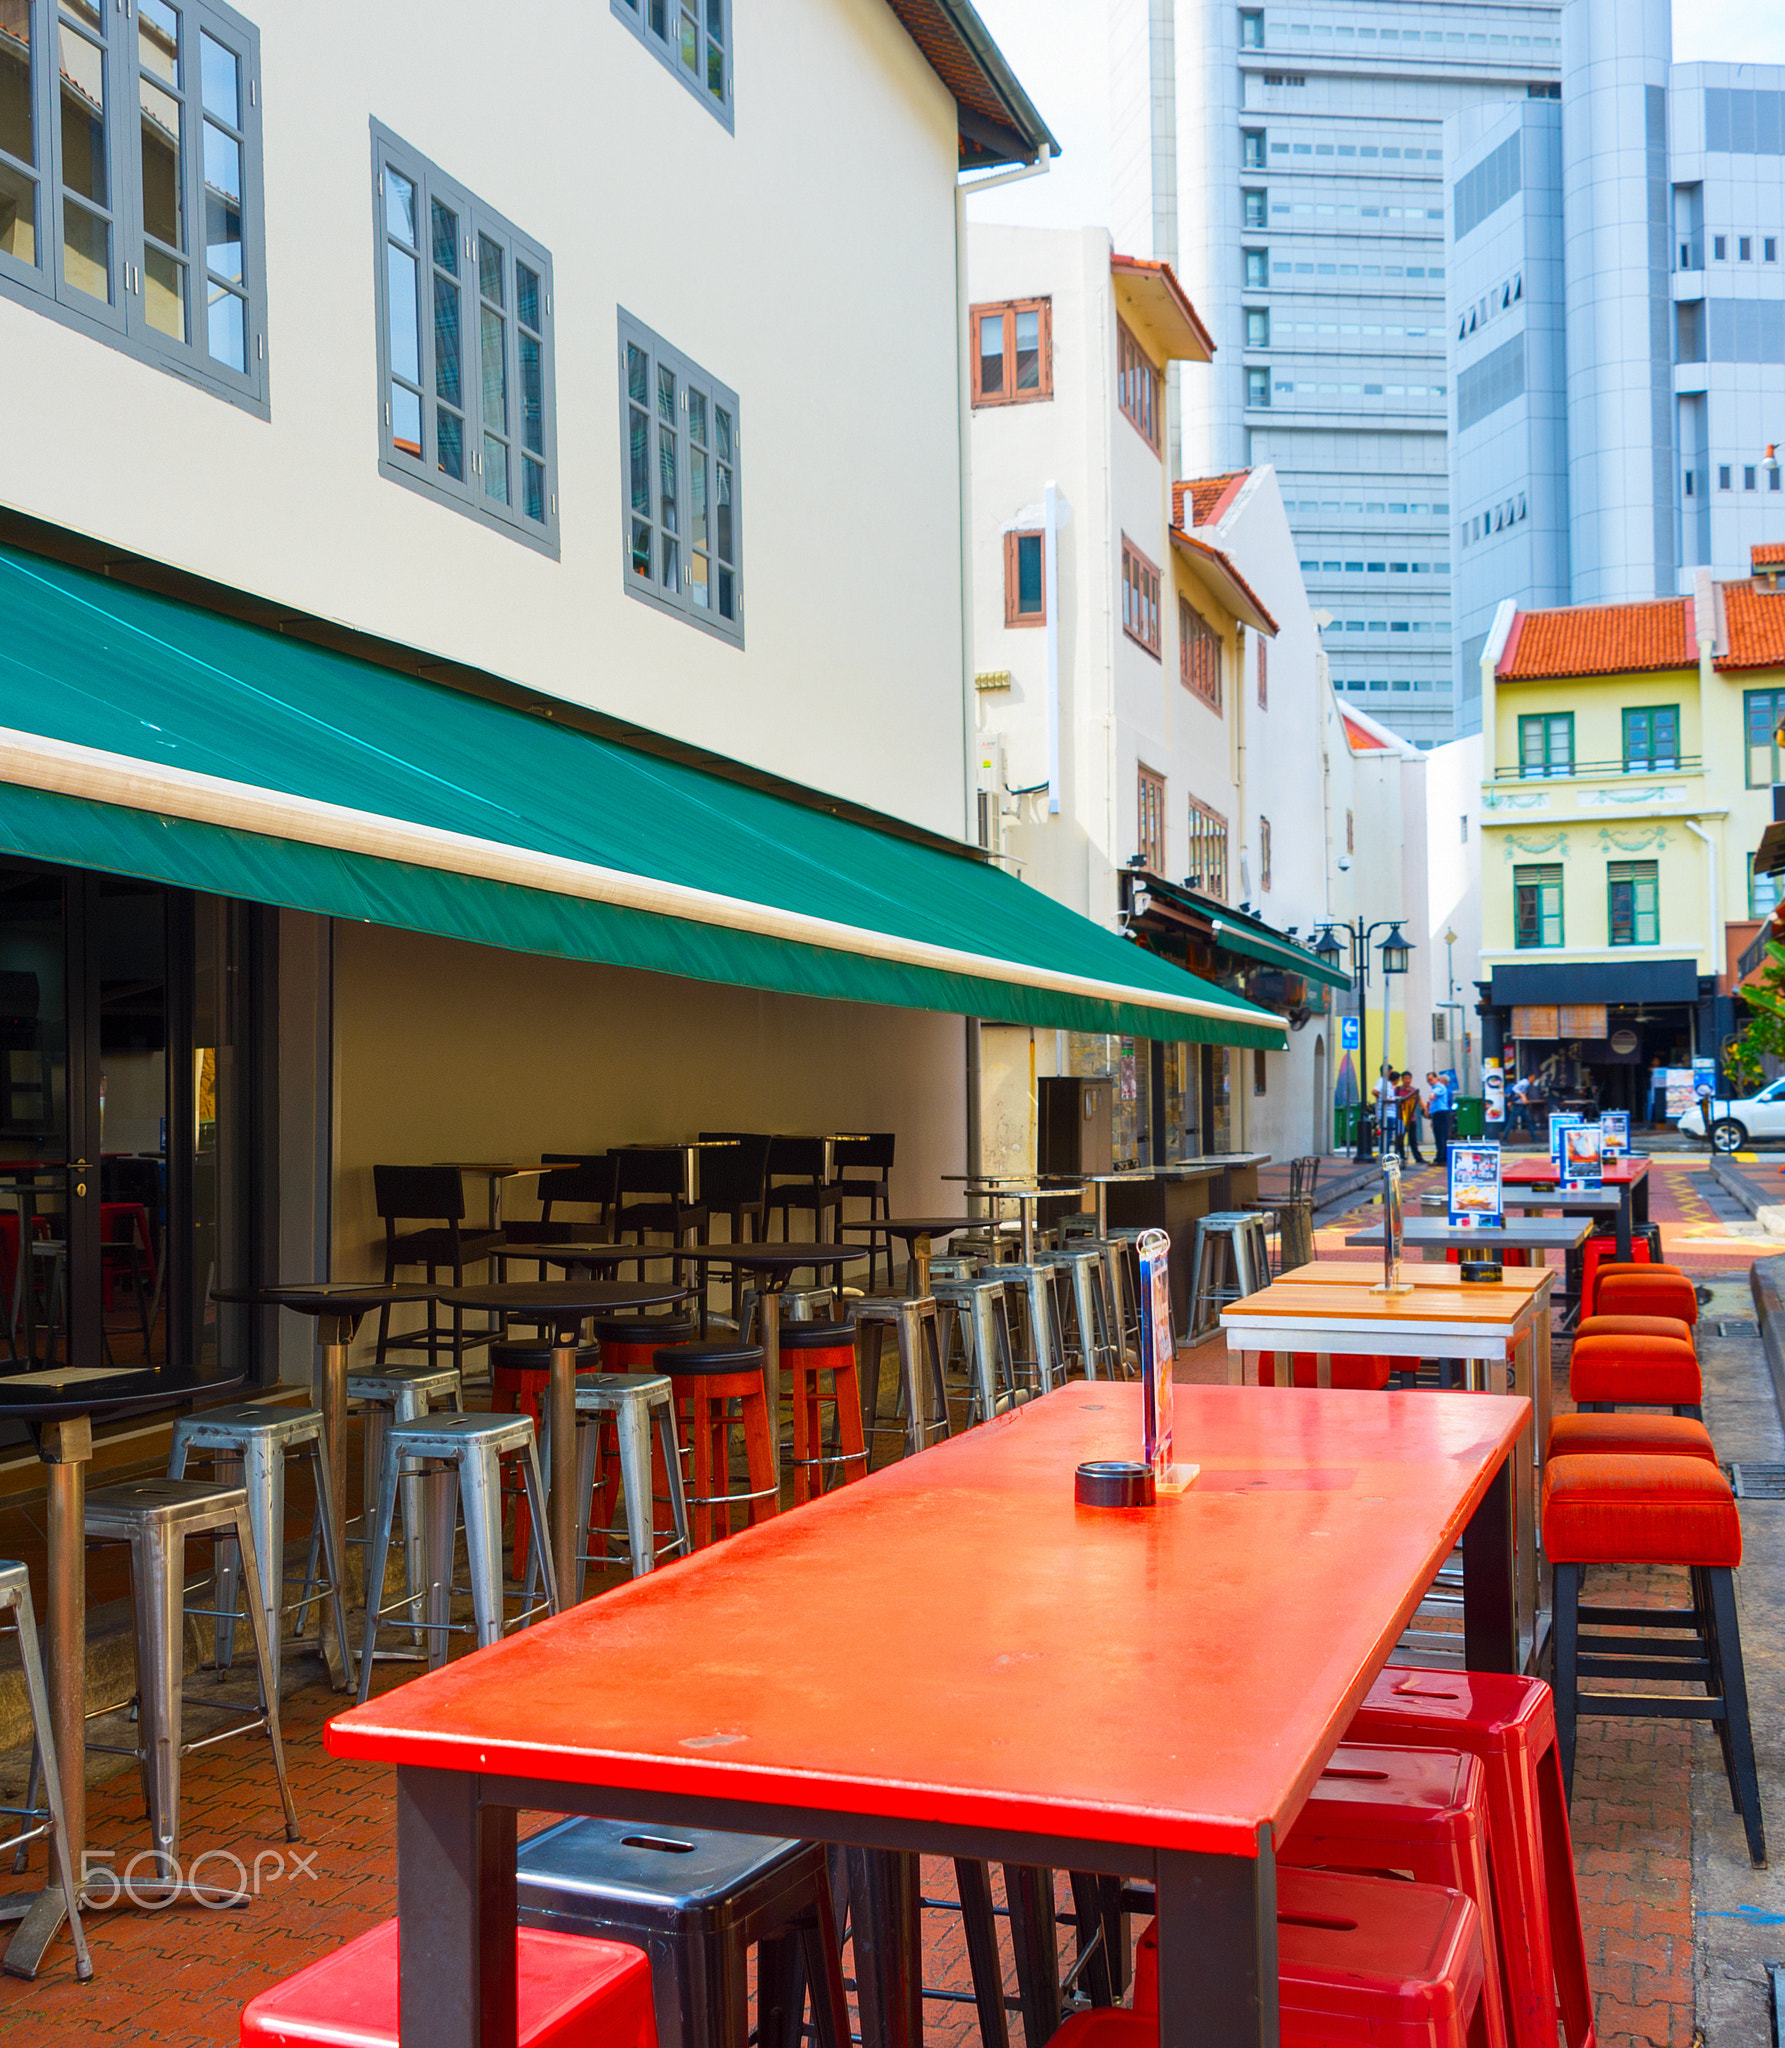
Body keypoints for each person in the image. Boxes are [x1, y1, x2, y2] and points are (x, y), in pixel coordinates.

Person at [1398, 1071, 1426, 1164]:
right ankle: (1401, 1156)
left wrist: (1425, 1109)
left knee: (1413, 1139)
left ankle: (1418, 1157)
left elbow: (1420, 1100)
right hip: (1400, 1118)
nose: (1408, 1080)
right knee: (1400, 1139)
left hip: (1411, 1118)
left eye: (1409, 1078)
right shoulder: (1397, 1090)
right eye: (1406, 1078)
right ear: (1402, 1079)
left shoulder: (1413, 1090)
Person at [1426, 1069, 1454, 1159]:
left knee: (1441, 1135)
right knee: (1439, 1135)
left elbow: (1435, 1093)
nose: (1430, 1082)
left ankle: (1442, 1156)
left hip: (1441, 1113)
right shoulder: (1435, 1088)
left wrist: (1432, 1095)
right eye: (1428, 1080)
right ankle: (1441, 1155)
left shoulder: (1439, 1087)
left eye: (1431, 1079)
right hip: (1437, 1114)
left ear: (1436, 1078)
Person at [1646, 1059, 1668, 1127]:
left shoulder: (1661, 1069)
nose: (1656, 1062)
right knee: (1650, 1104)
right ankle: (1649, 1119)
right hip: (1651, 1089)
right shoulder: (1651, 1069)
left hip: (1659, 1091)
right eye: (1654, 1060)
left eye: (1657, 1060)